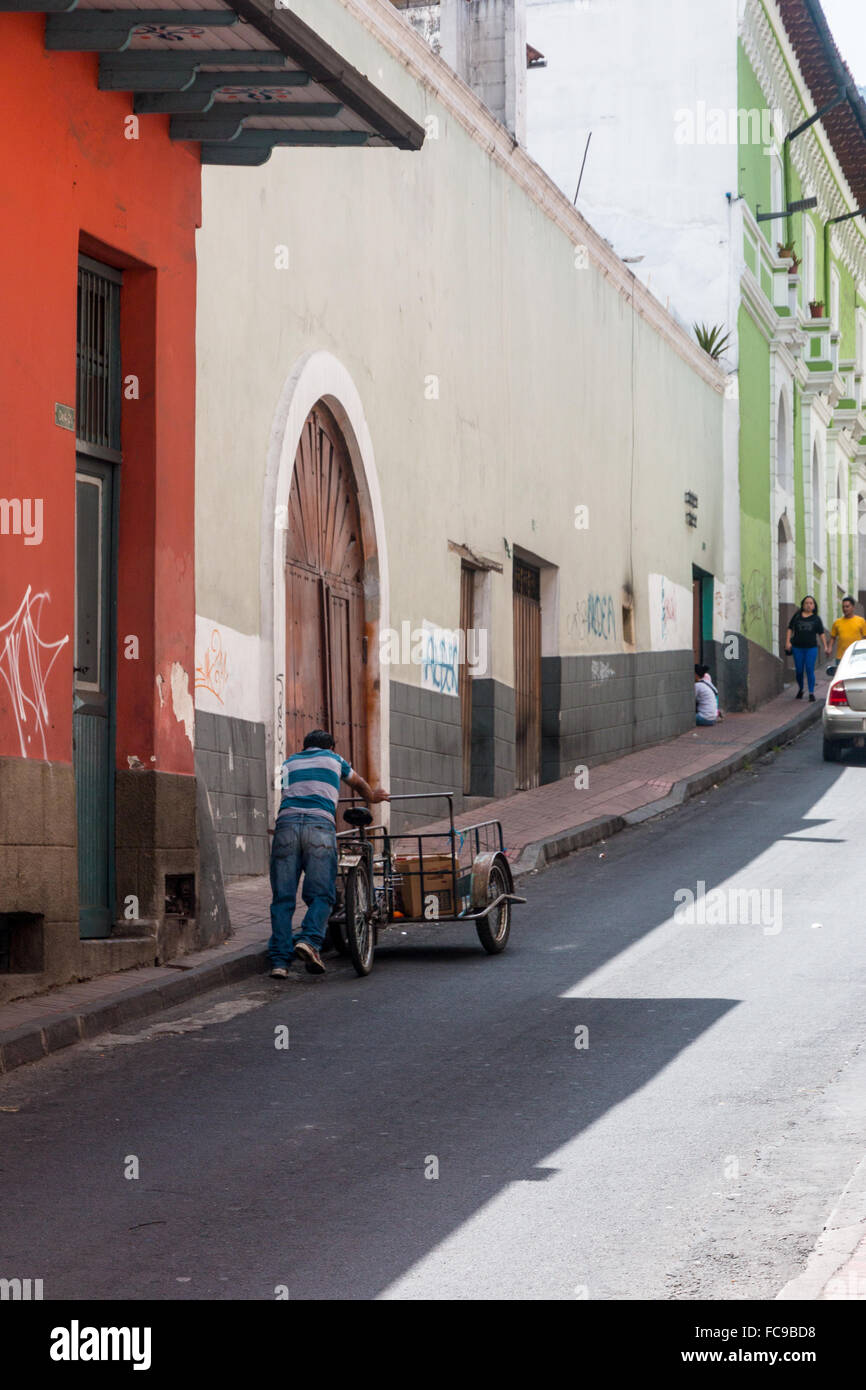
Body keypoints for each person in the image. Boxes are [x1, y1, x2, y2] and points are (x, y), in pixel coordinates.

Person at [268, 729, 389, 978]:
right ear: (330, 747)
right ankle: (310, 941)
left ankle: (280, 962)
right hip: (319, 827)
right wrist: (372, 798)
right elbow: (358, 783)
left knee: (282, 899)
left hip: (286, 827)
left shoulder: (289, 763)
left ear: (305, 746)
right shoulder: (335, 760)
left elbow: (287, 793)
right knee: (322, 895)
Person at [785, 594, 825, 702]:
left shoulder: (816, 619)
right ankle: (801, 689)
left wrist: (825, 646)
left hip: (811, 648)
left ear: (814, 606)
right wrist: (788, 642)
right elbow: (790, 628)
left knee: (809, 669)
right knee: (799, 671)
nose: (808, 605)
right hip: (797, 648)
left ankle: (811, 692)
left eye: (811, 603)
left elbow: (821, 633)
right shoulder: (797, 616)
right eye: (806, 603)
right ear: (803, 605)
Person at [826, 595, 866, 675]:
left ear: (853, 607)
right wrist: (829, 648)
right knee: (841, 679)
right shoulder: (837, 622)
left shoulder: (861, 621)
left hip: (856, 657)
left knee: (855, 678)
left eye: (847, 606)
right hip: (841, 657)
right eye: (843, 607)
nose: (845, 609)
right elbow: (833, 637)